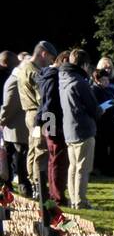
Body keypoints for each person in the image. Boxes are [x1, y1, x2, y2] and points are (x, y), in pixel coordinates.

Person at [59, 49, 99, 209]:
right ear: (84, 65)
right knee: (83, 167)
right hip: (83, 128)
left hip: (69, 128)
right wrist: (100, 111)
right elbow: (92, 107)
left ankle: (74, 198)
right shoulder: (80, 82)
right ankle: (81, 200)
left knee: (73, 167)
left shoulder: (63, 79)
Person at [19, 41, 56, 192]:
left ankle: (35, 182)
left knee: (34, 148)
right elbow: (43, 97)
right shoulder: (34, 72)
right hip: (41, 113)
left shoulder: (24, 67)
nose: (51, 62)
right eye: (50, 58)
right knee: (43, 148)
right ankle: (39, 184)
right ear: (43, 54)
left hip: (32, 113)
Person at [38, 51, 70, 204]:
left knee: (54, 159)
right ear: (63, 61)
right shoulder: (53, 77)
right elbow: (48, 103)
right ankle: (57, 196)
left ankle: (54, 192)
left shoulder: (48, 75)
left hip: (50, 121)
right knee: (57, 159)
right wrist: (51, 127)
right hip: (53, 122)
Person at [1, 53, 31, 195]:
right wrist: (1, 120)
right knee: (18, 160)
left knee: (19, 159)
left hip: (16, 127)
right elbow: (9, 106)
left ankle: (15, 188)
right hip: (14, 128)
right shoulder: (15, 80)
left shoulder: (17, 79)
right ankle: (19, 188)